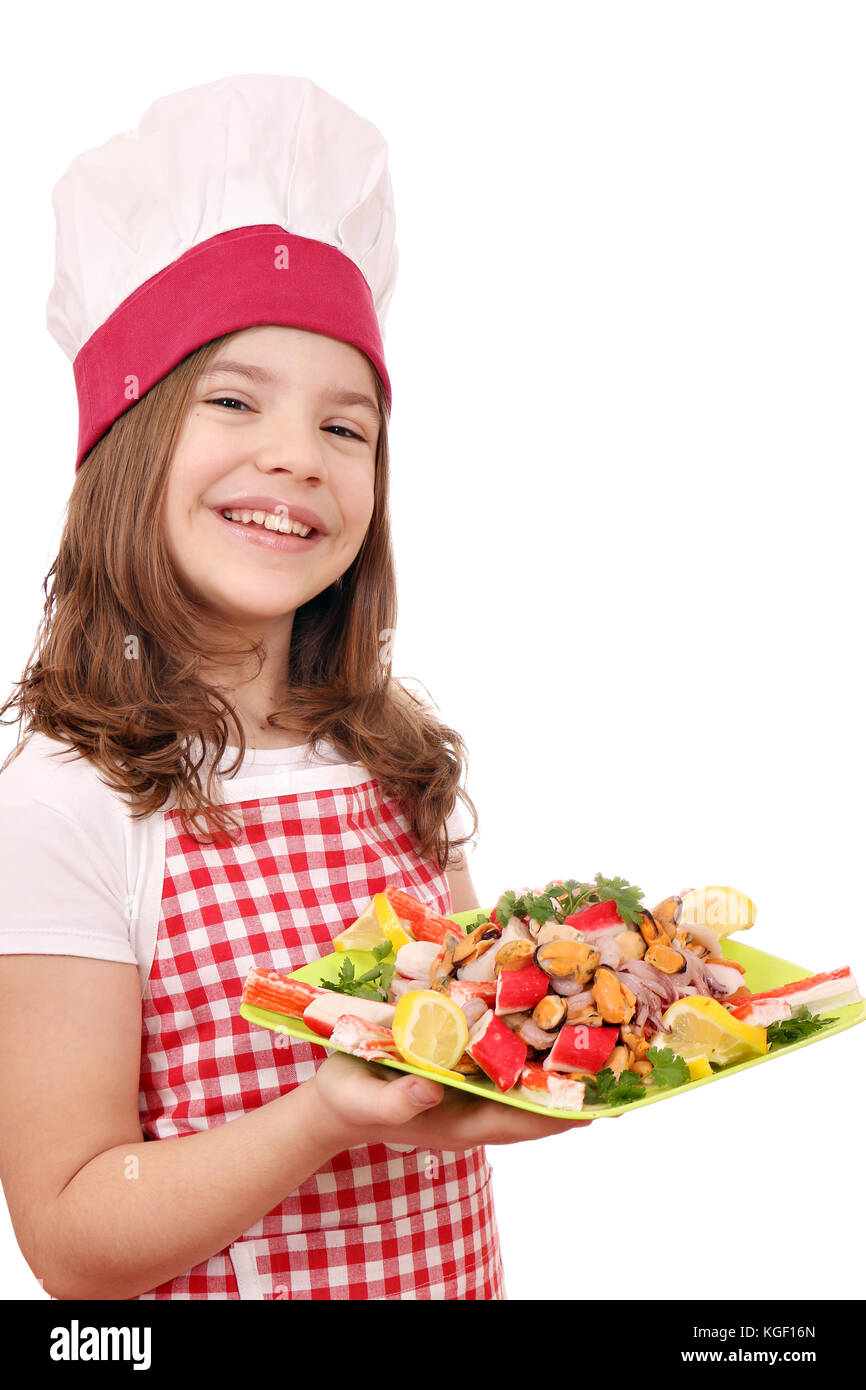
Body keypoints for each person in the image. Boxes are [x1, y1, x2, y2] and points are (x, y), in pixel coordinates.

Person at [0, 74, 589, 1302]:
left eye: (347, 427)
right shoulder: (66, 801)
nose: (293, 455)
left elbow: (459, 1067)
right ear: (124, 447)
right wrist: (319, 1118)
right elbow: (66, 1239)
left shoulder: (398, 757)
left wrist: (544, 1064)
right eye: (232, 399)